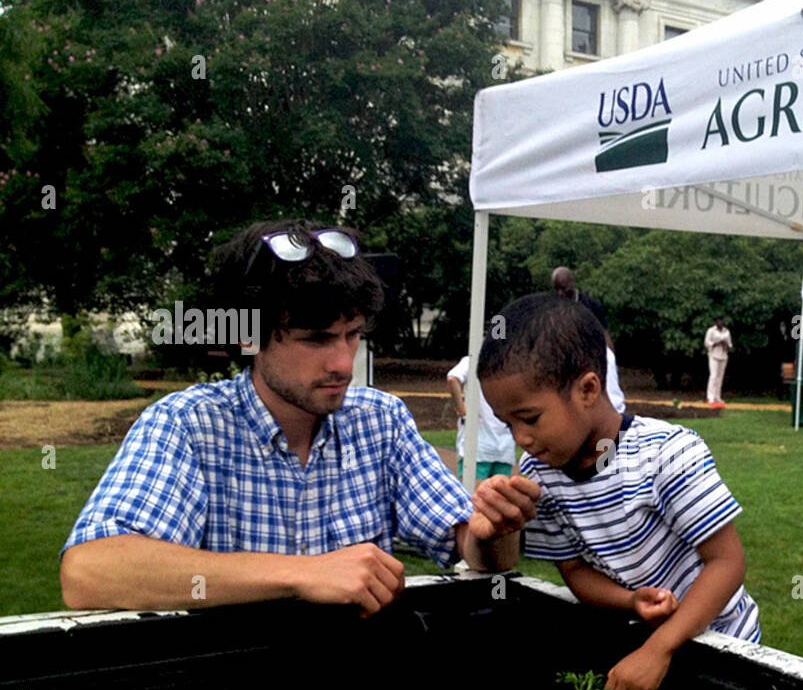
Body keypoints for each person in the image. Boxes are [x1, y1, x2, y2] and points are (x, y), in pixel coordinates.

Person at [60, 219, 537, 616]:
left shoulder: (380, 421)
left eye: (352, 335)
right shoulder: (189, 425)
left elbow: (474, 553)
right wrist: (303, 573)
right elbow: (91, 572)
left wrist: (495, 531)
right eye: (316, 339)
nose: (344, 364)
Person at [478, 292, 760, 690]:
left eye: (530, 418)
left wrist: (659, 648)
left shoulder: (667, 452)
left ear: (588, 389)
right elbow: (574, 571)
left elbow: (727, 562)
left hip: (722, 646)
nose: (520, 439)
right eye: (507, 424)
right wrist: (630, 600)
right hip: (640, 648)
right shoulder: (540, 475)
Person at [552, 266, 624, 413]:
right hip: (571, 356)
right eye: (557, 289)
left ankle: (618, 432)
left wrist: (611, 359)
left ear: (572, 282)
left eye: (564, 288)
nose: (561, 293)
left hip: (595, 353)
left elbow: (604, 333)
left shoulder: (590, 305)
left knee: (611, 399)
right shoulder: (556, 306)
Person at [446, 354, 515, 482]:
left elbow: (452, 379)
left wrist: (460, 408)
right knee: (500, 498)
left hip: (477, 447)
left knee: (473, 497)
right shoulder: (510, 362)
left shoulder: (472, 362)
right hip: (505, 446)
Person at [704, 316, 732, 408]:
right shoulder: (711, 331)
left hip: (723, 355)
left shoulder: (726, 331)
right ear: (715, 322)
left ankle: (717, 397)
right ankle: (710, 397)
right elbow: (707, 343)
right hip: (713, 355)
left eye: (721, 321)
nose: (720, 322)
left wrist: (726, 344)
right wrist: (716, 343)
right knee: (713, 376)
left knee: (720, 377)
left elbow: (730, 344)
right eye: (718, 321)